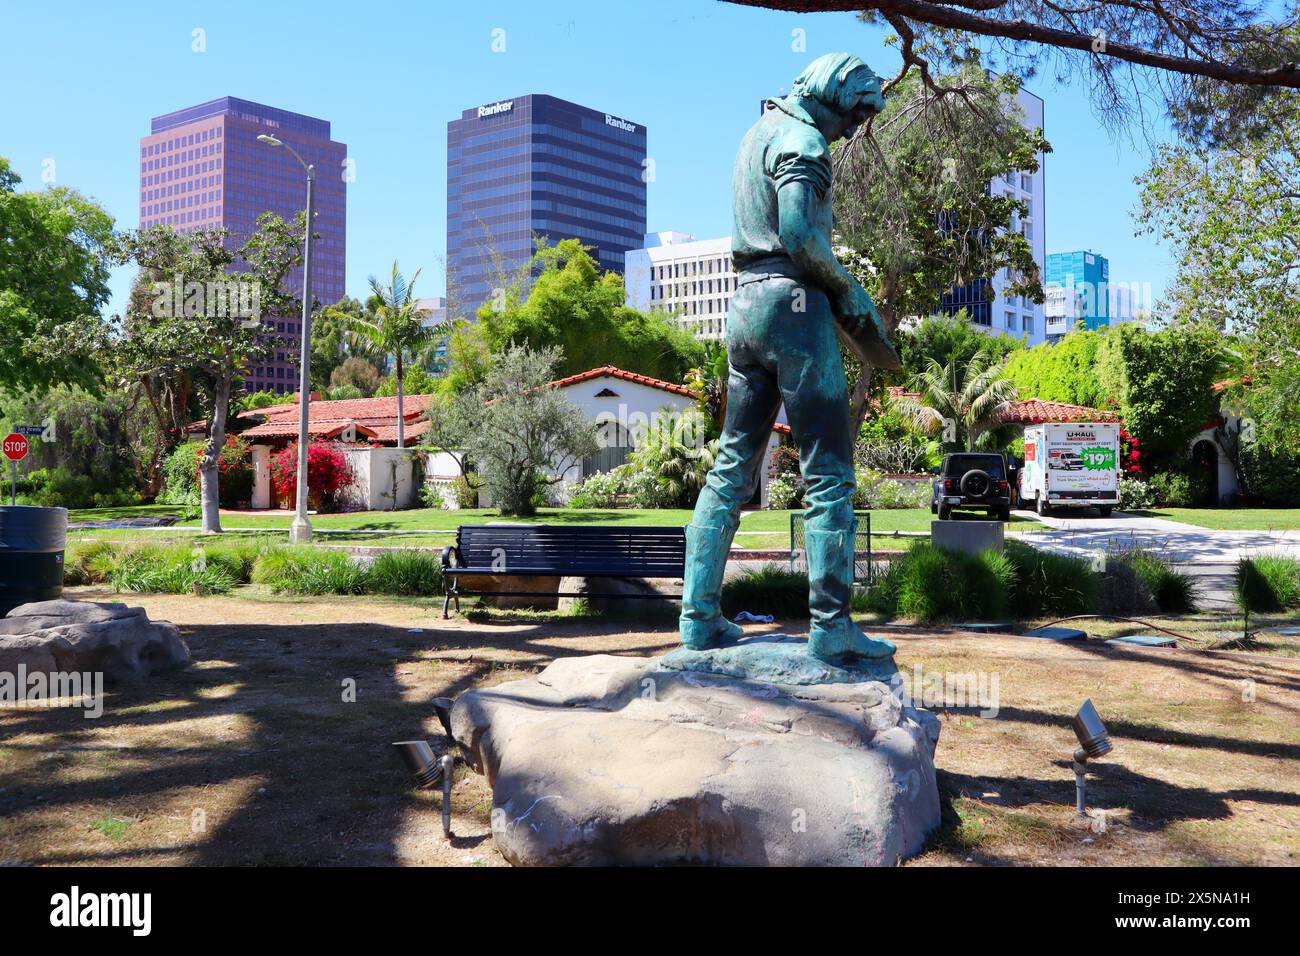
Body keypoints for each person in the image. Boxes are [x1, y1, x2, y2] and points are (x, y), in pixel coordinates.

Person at [679, 52, 899, 662]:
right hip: (794, 309)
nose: (851, 132)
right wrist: (849, 291)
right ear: (832, 95)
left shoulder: (756, 135)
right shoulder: (804, 140)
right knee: (829, 473)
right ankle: (831, 629)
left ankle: (698, 620)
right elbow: (801, 236)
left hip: (743, 309)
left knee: (730, 469)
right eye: (853, 117)